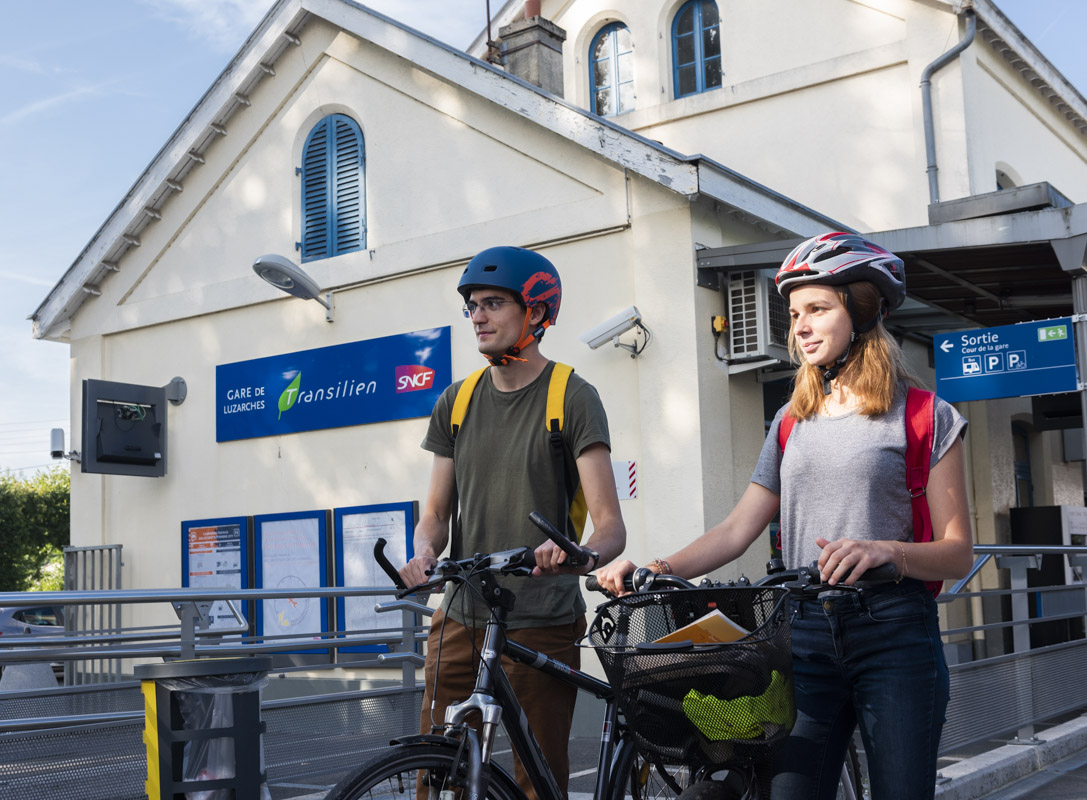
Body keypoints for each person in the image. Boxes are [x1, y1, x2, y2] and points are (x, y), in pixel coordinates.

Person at [595, 232, 972, 800]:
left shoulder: (926, 415)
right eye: (795, 313)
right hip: (804, 635)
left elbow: (958, 550)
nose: (800, 326)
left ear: (864, 310)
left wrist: (886, 551)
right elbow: (736, 528)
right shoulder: (790, 421)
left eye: (817, 309)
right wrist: (656, 566)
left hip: (894, 632)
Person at [398, 245, 626, 800]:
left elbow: (610, 528)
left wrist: (579, 556)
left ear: (536, 313)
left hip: (541, 617)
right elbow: (434, 514)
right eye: (472, 305)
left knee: (537, 775)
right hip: (460, 610)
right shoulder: (456, 401)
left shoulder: (570, 396)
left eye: (493, 303)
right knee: (439, 768)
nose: (477, 315)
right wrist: (424, 551)